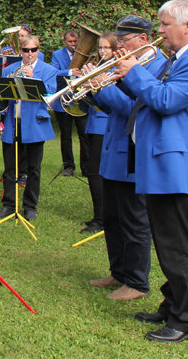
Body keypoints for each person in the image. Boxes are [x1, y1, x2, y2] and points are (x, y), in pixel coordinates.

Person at [111, 0, 188, 343]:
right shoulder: (177, 59)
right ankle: (172, 305)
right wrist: (121, 74)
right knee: (164, 240)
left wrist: (135, 72)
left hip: (175, 165)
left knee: (178, 245)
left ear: (187, 26)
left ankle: (186, 320)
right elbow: (147, 95)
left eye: (164, 24)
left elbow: (167, 100)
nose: (158, 31)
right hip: (160, 162)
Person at [87, 17, 165, 302]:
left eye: (124, 40)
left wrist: (102, 87)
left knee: (134, 221)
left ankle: (137, 281)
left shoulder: (156, 65)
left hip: (133, 152)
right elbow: (110, 107)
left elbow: (136, 109)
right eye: (118, 40)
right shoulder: (125, 64)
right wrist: (92, 89)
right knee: (112, 217)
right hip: (113, 150)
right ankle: (118, 271)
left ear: (143, 40)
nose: (119, 46)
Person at [0, 34, 58, 222]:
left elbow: (51, 96)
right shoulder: (11, 69)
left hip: (35, 124)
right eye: (26, 50)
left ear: (39, 50)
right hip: (14, 122)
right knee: (10, 167)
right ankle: (8, 204)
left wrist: (34, 77)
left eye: (33, 50)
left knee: (33, 169)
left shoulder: (49, 70)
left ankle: (30, 206)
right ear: (20, 51)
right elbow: (3, 97)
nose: (30, 54)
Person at [79, 32, 117, 235]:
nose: (102, 51)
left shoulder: (113, 70)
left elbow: (110, 99)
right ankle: (99, 215)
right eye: (100, 48)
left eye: (107, 48)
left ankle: (101, 218)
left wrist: (93, 86)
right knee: (94, 172)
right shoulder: (99, 68)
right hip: (94, 123)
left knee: (96, 172)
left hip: (105, 125)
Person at [51, 29, 90, 177]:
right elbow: (53, 72)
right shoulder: (57, 54)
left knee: (84, 135)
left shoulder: (86, 54)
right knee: (66, 136)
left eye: (75, 42)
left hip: (81, 99)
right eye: (70, 42)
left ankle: (86, 167)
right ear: (64, 42)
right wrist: (69, 72)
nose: (73, 44)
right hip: (63, 100)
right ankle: (68, 166)